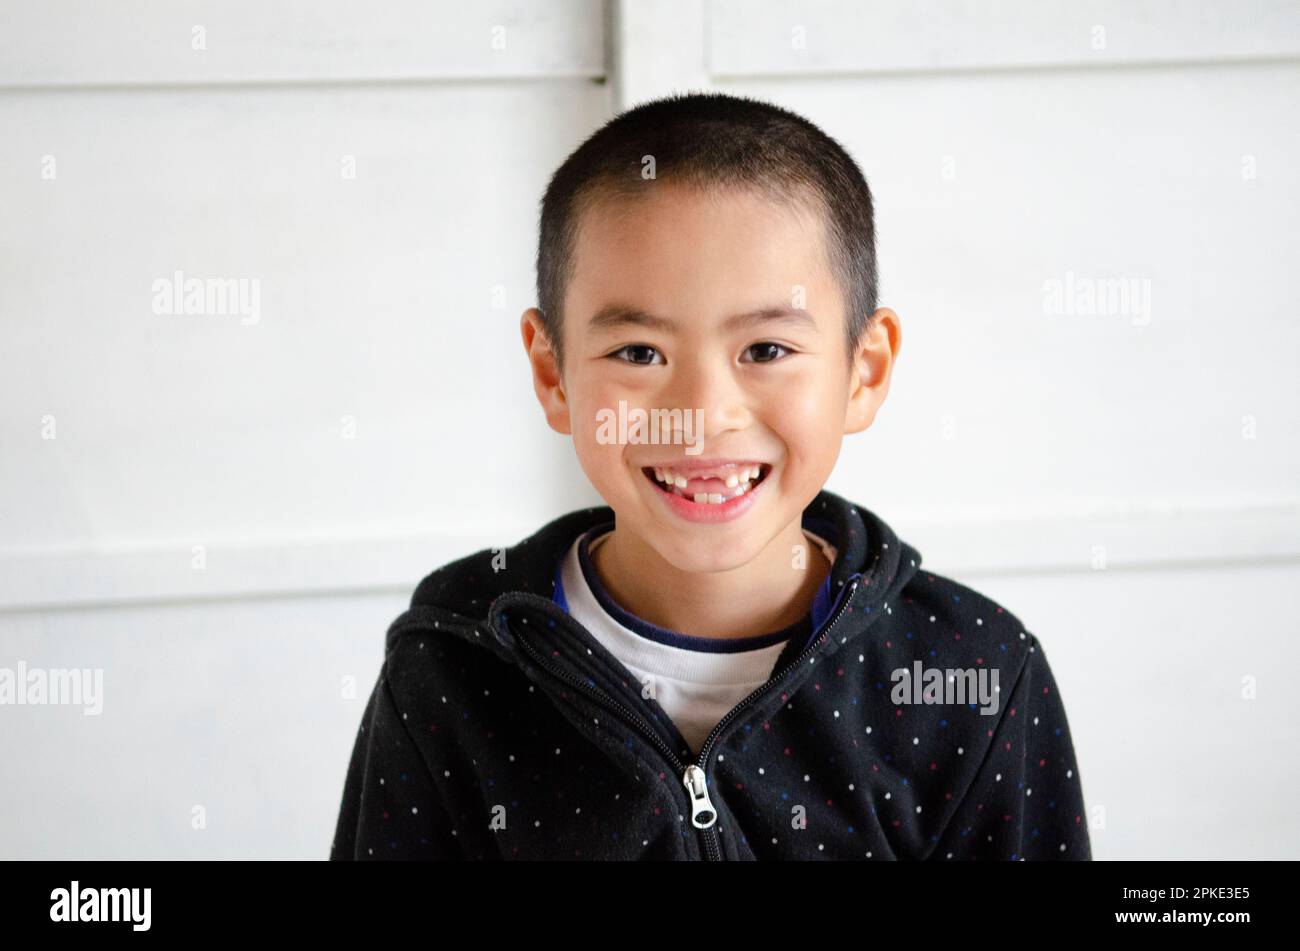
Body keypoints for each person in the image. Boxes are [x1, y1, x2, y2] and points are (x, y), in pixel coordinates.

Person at [330, 91, 1091, 860]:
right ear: (553, 373)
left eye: (765, 350)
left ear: (864, 370)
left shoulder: (972, 673)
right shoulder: (454, 667)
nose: (700, 415)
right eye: (637, 354)